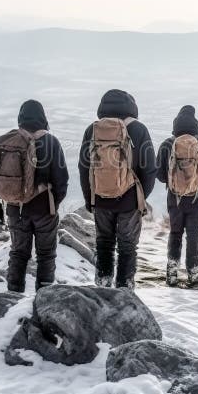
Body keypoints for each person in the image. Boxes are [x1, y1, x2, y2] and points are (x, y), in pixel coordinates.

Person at [0, 100, 68, 293]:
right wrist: (53, 204)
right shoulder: (50, 142)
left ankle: (13, 297)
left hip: (16, 208)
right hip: (44, 209)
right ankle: (44, 299)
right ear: (43, 117)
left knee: (18, 253)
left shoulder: (9, 142)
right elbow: (62, 180)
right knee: (46, 255)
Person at [79, 89, 156, 289]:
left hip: (101, 198)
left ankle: (102, 287)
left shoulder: (93, 129)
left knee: (104, 243)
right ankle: (124, 291)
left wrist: (90, 198)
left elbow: (84, 167)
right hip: (129, 199)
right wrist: (140, 197)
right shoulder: (139, 130)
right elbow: (149, 169)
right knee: (127, 247)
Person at [156, 106, 198, 286]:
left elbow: (158, 174)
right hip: (196, 197)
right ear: (195, 124)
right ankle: (193, 274)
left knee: (175, 233)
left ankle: (172, 272)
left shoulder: (167, 144)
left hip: (174, 197)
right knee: (193, 235)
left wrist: (172, 180)